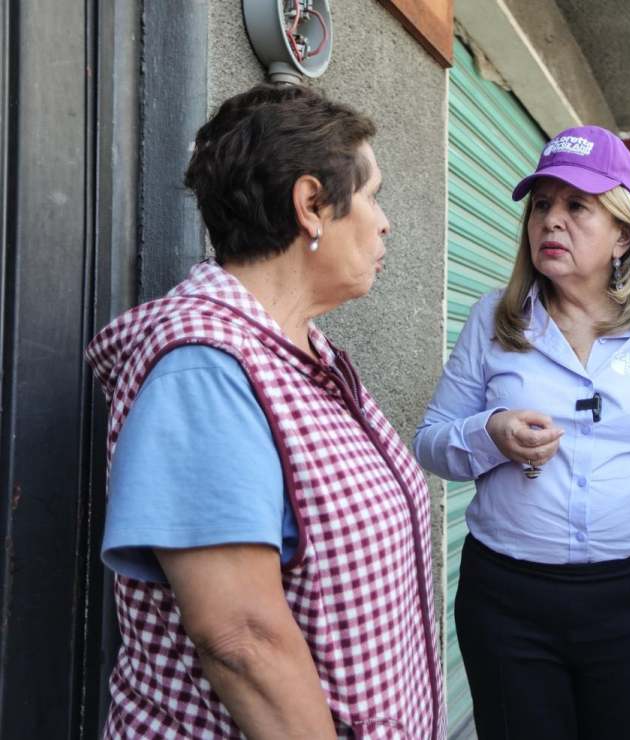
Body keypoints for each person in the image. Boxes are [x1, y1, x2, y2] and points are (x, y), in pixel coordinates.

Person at [85, 84, 443, 738]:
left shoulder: (302, 355)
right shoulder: (204, 371)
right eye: (372, 195)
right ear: (311, 205)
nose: (384, 221)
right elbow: (241, 639)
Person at [413, 125, 630, 740]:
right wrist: (491, 434)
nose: (550, 221)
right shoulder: (494, 319)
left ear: (623, 233)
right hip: (509, 604)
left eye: (576, 206)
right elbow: (431, 442)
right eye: (541, 205)